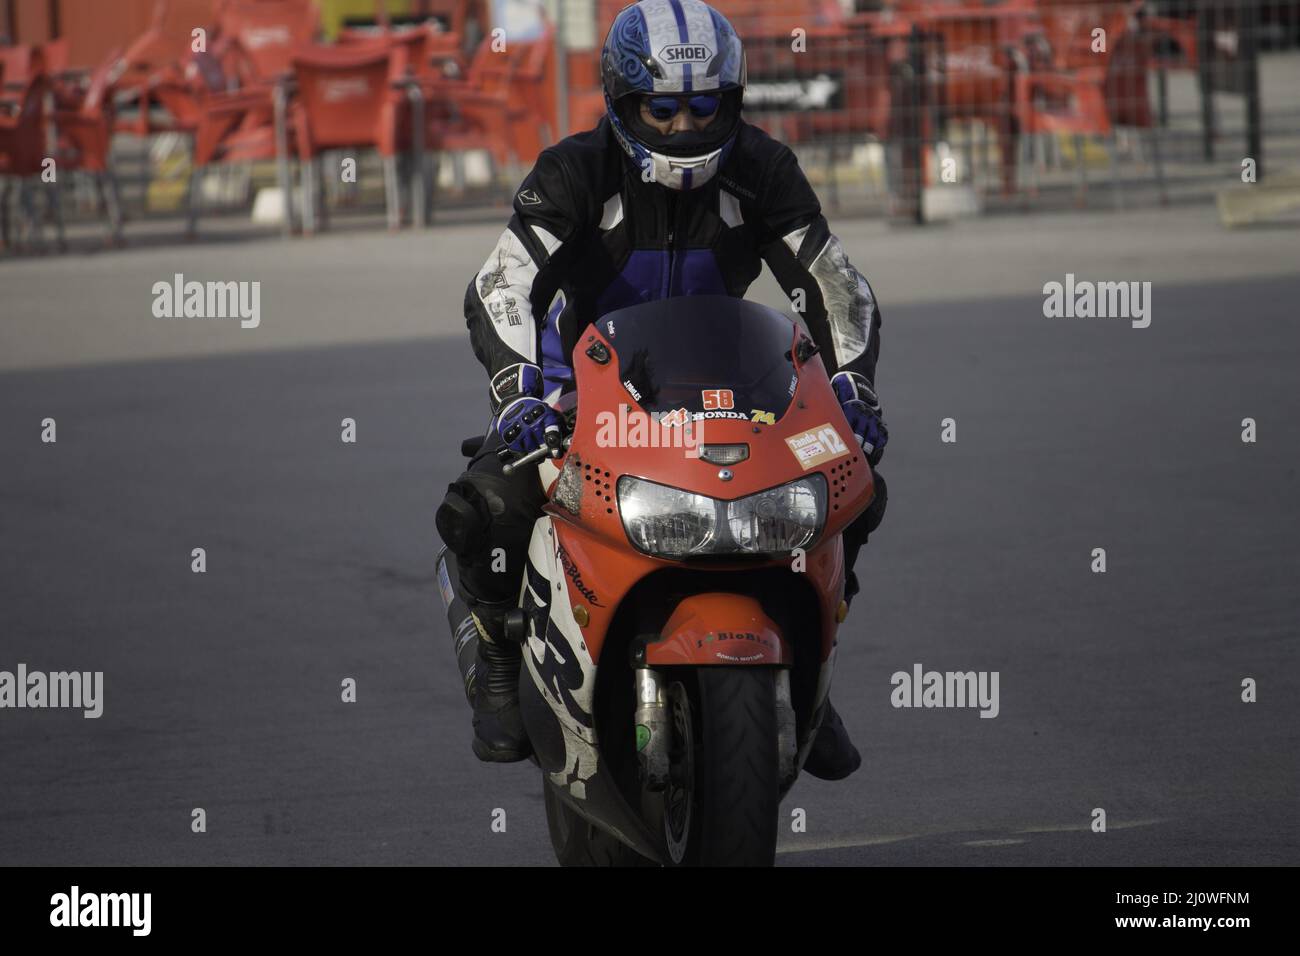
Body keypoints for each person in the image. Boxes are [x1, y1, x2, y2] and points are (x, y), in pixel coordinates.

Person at [436, 0, 888, 777]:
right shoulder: (574, 169)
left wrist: (854, 389)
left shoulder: (763, 168)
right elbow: (501, 284)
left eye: (703, 104)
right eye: (663, 106)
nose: (684, 126)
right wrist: (517, 392)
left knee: (855, 490)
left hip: (725, 386)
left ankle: (806, 650)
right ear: (622, 101)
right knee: (489, 506)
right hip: (578, 394)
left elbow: (834, 284)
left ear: (731, 101)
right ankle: (499, 651)